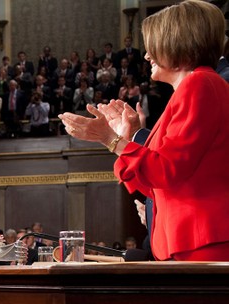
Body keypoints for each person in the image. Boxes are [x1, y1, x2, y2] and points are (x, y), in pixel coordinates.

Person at [60, 0, 229, 261]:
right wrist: (118, 141)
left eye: (153, 47)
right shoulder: (198, 86)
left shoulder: (200, 84)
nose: (147, 55)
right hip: (190, 241)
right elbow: (157, 185)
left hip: (199, 242)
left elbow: (167, 171)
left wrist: (110, 138)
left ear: (177, 44)